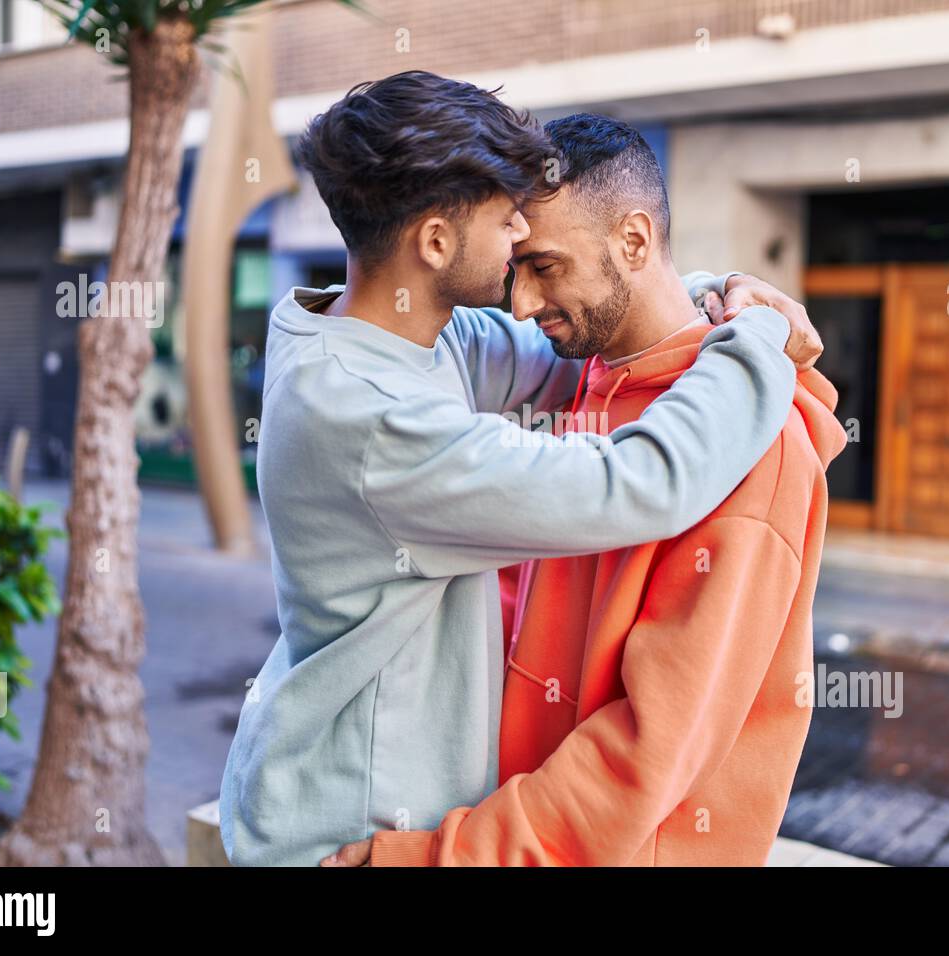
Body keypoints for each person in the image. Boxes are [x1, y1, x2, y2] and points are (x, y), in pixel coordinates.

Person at [218, 72, 821, 866]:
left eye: (542, 258)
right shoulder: (375, 416)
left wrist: (711, 299)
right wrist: (759, 342)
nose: (521, 281)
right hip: (352, 831)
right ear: (434, 243)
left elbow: (593, 325)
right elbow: (634, 483)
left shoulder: (400, 334)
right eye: (509, 228)